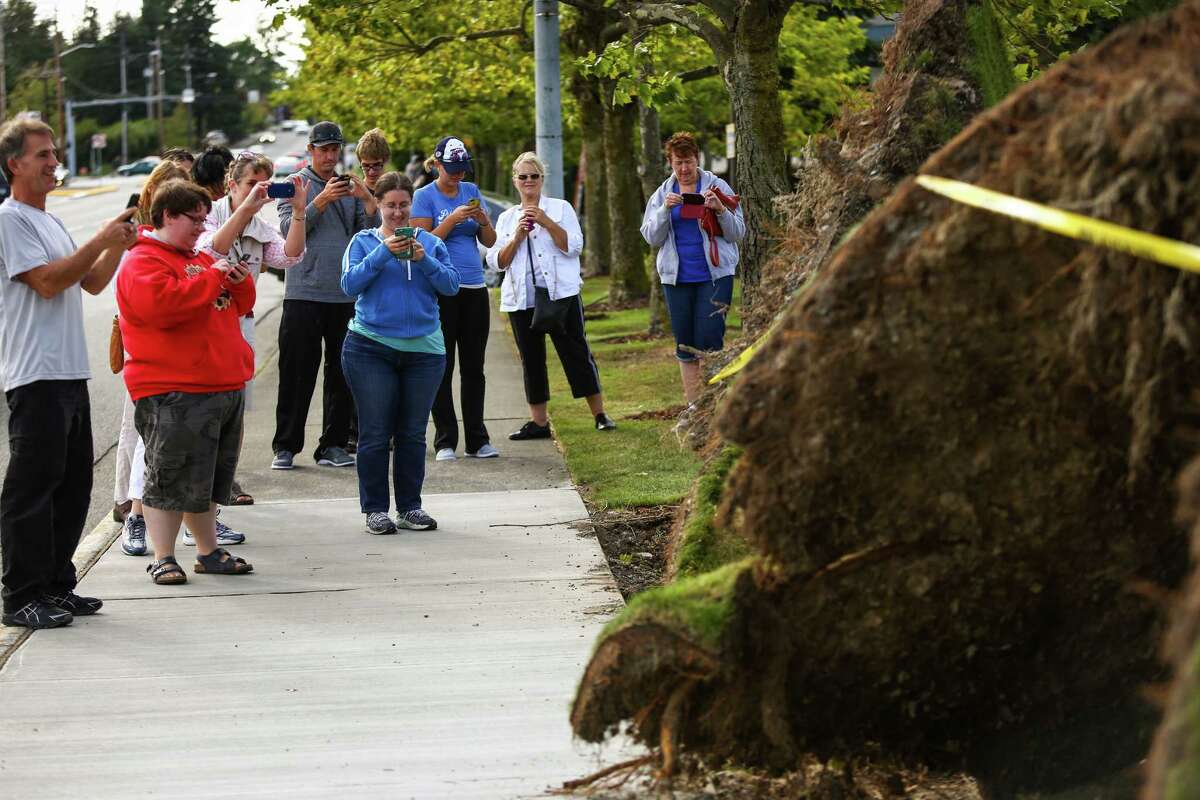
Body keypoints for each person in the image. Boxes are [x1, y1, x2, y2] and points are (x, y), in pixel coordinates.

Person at [0, 118, 137, 628]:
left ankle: (57, 585)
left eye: (54, 153)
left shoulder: (49, 221)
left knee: (73, 484)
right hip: (34, 372)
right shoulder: (10, 219)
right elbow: (48, 283)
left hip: (68, 371)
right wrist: (100, 236)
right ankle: (21, 595)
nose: (55, 162)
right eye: (43, 155)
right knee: (32, 488)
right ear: (16, 164)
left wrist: (118, 244)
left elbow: (92, 282)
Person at [116, 179, 256, 585]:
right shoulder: (143, 260)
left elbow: (239, 306)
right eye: (193, 219)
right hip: (174, 389)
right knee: (170, 477)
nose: (201, 227)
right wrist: (213, 277)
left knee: (209, 479)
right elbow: (165, 307)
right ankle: (163, 556)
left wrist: (237, 279)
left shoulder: (196, 258)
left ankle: (208, 551)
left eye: (203, 218)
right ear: (166, 216)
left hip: (220, 382)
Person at [341, 172, 459, 534]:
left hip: (424, 351)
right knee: (375, 432)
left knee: (411, 433)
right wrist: (382, 252)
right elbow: (349, 285)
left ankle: (410, 507)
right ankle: (375, 509)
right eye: (389, 205)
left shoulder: (431, 244)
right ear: (377, 204)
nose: (397, 213)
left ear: (412, 205)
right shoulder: (363, 242)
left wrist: (423, 259)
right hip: (370, 348)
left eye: (403, 205)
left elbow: (451, 286)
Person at [198, 152, 308, 512]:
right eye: (251, 185)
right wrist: (245, 209)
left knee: (235, 409)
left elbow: (290, 256)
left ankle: (225, 481)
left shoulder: (259, 227)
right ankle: (202, 493)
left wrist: (300, 209)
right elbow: (208, 249)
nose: (259, 194)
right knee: (204, 411)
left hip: (240, 326)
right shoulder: (207, 215)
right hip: (204, 327)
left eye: (266, 185)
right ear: (231, 185)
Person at [271, 121, 378, 471]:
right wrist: (319, 201)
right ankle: (285, 446)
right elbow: (288, 231)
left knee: (341, 375)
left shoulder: (349, 187)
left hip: (343, 295)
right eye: (324, 149)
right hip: (303, 293)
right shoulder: (295, 185)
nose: (330, 156)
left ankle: (332, 444)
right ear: (311, 151)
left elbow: (365, 236)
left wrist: (365, 200)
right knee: (296, 373)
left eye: (335, 149)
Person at [487, 152, 615, 439]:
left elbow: (574, 246)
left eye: (534, 176)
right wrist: (518, 236)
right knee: (531, 360)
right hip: (522, 299)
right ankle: (539, 422)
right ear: (515, 181)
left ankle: (600, 414)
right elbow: (496, 261)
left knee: (577, 353)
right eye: (523, 176)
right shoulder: (507, 218)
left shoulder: (560, 209)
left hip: (560, 295)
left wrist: (545, 221)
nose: (529, 181)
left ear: (542, 179)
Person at [114, 159, 190, 557]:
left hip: (188, 360)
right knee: (146, 438)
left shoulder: (192, 243)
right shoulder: (139, 244)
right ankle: (135, 515)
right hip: (150, 361)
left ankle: (196, 520)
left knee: (184, 444)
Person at [640, 131, 745, 408]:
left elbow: (738, 233)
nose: (684, 169)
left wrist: (719, 209)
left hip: (714, 276)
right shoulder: (663, 193)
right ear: (670, 163)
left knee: (710, 340)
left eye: (689, 161)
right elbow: (651, 237)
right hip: (677, 279)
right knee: (685, 344)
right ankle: (694, 408)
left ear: (697, 159)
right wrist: (664, 210)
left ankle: (714, 407)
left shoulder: (717, 186)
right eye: (678, 163)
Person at [410, 136, 497, 461]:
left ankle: (478, 438)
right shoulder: (423, 195)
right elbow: (423, 242)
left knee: (474, 366)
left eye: (462, 169)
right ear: (437, 164)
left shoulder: (472, 191)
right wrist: (451, 220)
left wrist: (483, 221)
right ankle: (445, 439)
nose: (458, 174)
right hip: (441, 290)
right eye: (452, 169)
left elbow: (489, 239)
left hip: (474, 287)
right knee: (441, 365)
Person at [356, 128, 390, 192]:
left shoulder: (397, 191)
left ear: (386, 160)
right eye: (366, 166)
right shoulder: (355, 193)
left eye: (376, 165)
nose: (371, 172)